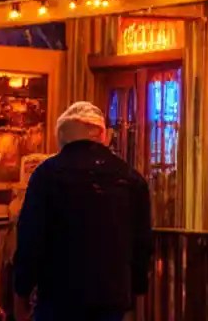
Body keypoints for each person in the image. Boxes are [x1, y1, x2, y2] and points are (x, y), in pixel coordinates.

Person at [12, 102, 152, 321]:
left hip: (59, 296)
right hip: (111, 297)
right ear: (103, 135)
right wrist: (137, 293)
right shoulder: (130, 178)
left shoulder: (47, 175)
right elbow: (142, 244)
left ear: (63, 136)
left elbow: (31, 237)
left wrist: (22, 291)